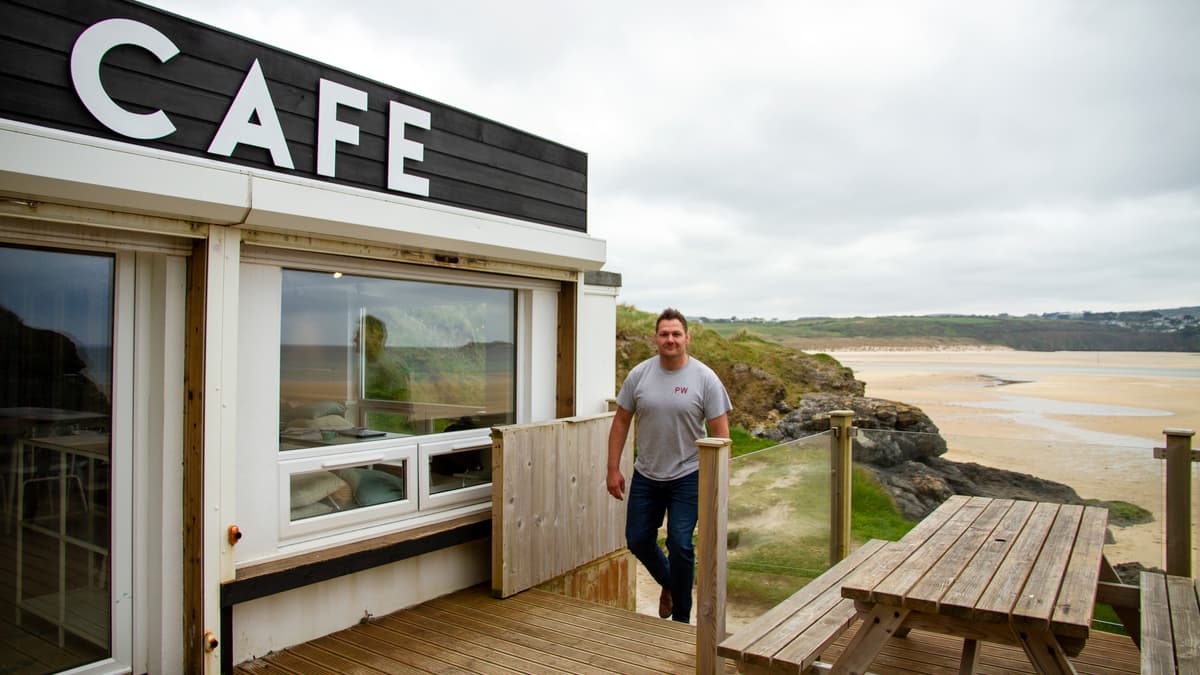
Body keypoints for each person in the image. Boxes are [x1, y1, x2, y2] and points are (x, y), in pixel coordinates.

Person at [606, 308, 732, 623]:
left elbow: (721, 433)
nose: (670, 339)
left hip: (688, 475)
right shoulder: (639, 375)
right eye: (664, 334)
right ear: (655, 338)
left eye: (676, 334)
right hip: (647, 474)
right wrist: (612, 469)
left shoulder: (705, 378)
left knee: (680, 543)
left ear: (687, 338)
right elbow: (621, 422)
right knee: (637, 539)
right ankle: (671, 584)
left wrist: (720, 479)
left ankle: (682, 621)